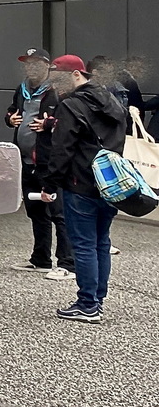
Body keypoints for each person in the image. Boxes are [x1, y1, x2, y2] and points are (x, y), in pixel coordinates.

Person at [37, 54, 128, 323]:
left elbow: (62, 149)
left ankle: (87, 304)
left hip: (81, 184)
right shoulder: (110, 100)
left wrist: (50, 184)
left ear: (77, 74)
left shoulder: (71, 105)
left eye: (59, 79)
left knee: (84, 245)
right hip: (110, 184)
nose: (55, 85)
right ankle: (97, 299)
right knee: (101, 242)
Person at [4, 48, 74, 280]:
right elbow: (13, 110)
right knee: (36, 212)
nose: (30, 67)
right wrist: (10, 118)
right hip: (26, 161)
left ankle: (67, 263)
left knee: (58, 213)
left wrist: (49, 124)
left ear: (47, 66)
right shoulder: (22, 89)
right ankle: (40, 259)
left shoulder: (58, 91)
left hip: (50, 162)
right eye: (27, 63)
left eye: (35, 63)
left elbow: (69, 122)